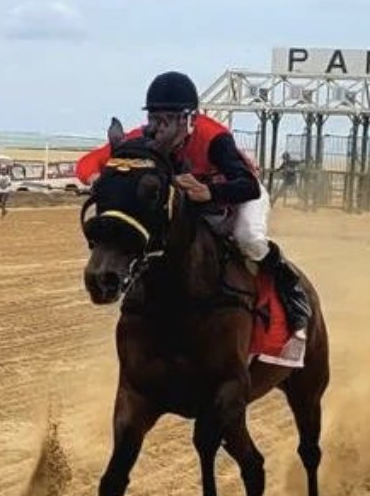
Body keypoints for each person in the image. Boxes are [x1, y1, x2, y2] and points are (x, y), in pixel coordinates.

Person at [76, 71, 311, 361]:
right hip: (193, 202)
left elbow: (248, 185)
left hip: (236, 194)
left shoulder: (214, 138)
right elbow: (88, 161)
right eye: (155, 118)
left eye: (170, 119)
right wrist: (96, 177)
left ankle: (289, 288)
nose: (160, 127)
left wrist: (210, 191)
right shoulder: (141, 137)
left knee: (248, 239)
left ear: (190, 118)